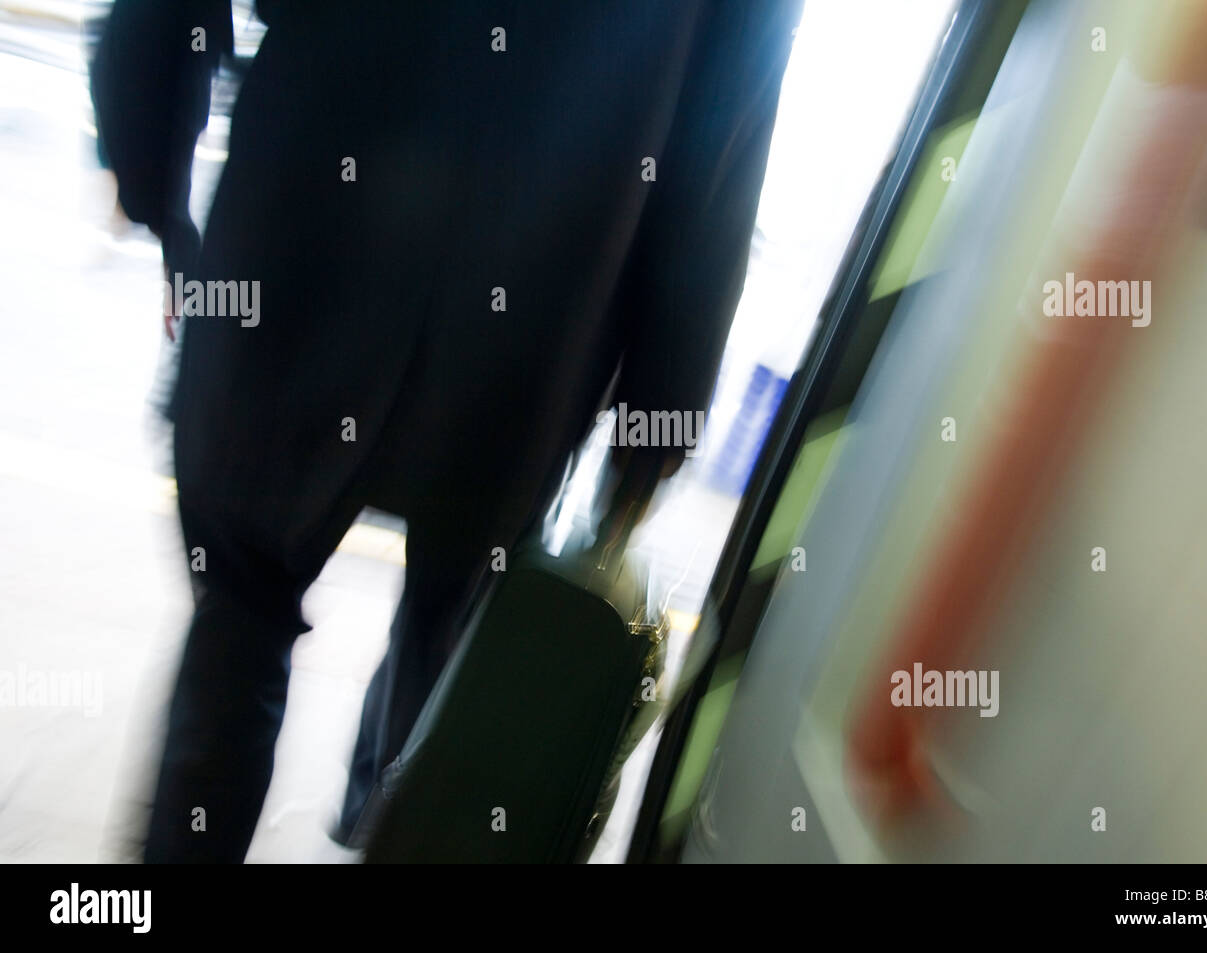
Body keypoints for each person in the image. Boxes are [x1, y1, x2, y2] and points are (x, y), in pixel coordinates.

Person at [92, 0, 801, 862]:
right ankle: (391, 825)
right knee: (449, 661)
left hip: (299, 252)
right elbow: (726, 133)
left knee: (237, 626)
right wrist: (657, 421)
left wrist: (154, 182)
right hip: (531, 335)